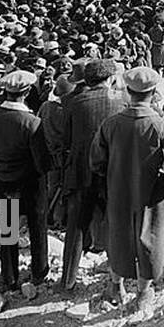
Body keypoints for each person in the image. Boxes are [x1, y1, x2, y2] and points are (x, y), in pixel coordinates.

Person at [89, 66, 164, 311]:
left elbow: (96, 161)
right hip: (152, 192)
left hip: (118, 190)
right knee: (150, 238)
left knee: (119, 234)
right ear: (153, 92)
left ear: (128, 91)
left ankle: (116, 285)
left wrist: (112, 176)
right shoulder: (162, 126)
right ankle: (144, 292)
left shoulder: (111, 123)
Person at [0, 70, 50, 293]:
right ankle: (39, 273)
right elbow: (43, 163)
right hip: (31, 183)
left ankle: (9, 277)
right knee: (37, 226)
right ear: (26, 93)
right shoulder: (32, 123)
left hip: (3, 181)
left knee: (8, 228)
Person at [58, 58, 127, 290]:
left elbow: (66, 139)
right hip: (112, 171)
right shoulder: (121, 101)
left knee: (76, 226)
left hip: (80, 172)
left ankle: (67, 281)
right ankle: (117, 279)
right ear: (109, 79)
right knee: (116, 222)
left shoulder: (72, 102)